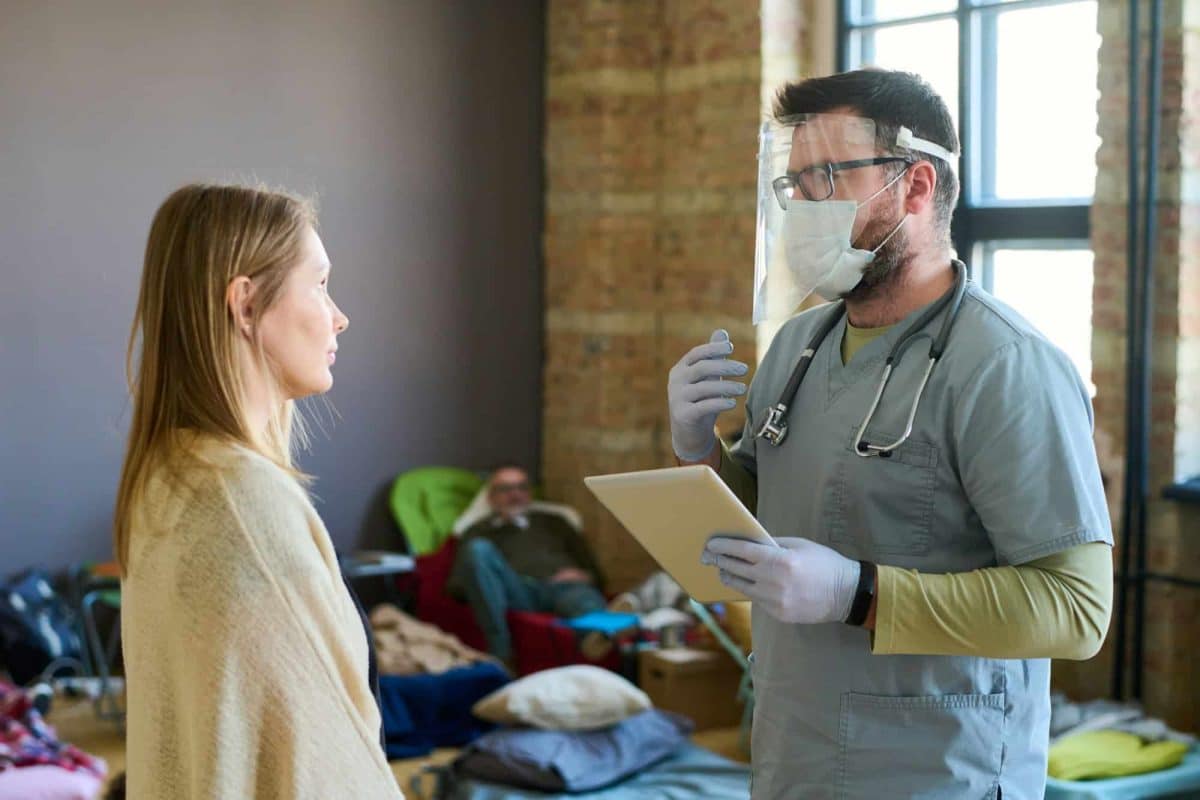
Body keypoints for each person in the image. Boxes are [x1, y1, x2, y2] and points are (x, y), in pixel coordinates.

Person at [667, 69, 1113, 799]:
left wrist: (858, 593)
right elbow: (757, 517)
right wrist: (697, 452)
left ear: (916, 187)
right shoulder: (799, 345)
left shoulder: (1004, 365)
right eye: (794, 185)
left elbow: (1076, 611)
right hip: (794, 755)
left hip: (936, 771)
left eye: (828, 178)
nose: (804, 207)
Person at [114, 184, 403, 798]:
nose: (339, 315)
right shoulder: (244, 503)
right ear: (245, 306)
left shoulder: (167, 477)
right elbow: (335, 763)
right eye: (320, 284)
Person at [448, 466, 606, 663]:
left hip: (562, 587)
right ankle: (502, 656)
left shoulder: (556, 522)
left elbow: (596, 573)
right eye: (505, 489)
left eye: (522, 487)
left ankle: (604, 635)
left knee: (583, 602)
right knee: (478, 549)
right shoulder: (477, 531)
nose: (515, 494)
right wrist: (489, 581)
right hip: (517, 590)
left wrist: (585, 576)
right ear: (491, 497)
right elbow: (456, 587)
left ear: (529, 494)